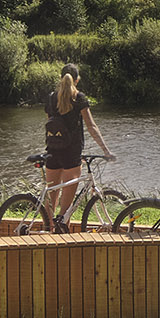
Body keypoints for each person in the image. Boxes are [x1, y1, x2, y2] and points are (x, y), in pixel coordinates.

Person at [43, 62, 112, 231]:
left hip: (52, 152)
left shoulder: (51, 97)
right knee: (65, 210)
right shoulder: (79, 98)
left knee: (51, 198)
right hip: (71, 154)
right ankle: (61, 234)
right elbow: (91, 126)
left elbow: (50, 124)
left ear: (60, 78)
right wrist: (105, 150)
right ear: (77, 80)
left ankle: (48, 229)